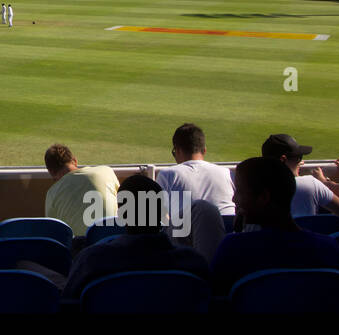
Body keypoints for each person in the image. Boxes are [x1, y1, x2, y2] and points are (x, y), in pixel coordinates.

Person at [210, 157, 339, 294]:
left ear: (263, 197)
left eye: (240, 191)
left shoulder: (233, 248)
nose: (234, 199)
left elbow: (216, 298)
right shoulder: (329, 247)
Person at [60, 174, 210, 299]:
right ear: (162, 212)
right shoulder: (193, 263)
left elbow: (67, 304)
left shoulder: (90, 262)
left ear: (121, 215)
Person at [261, 134, 339, 221]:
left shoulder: (255, 187)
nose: (302, 162)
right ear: (283, 160)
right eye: (299, 157)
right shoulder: (311, 183)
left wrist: (294, 165)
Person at [155, 123, 235, 215]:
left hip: (189, 224)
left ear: (178, 151)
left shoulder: (168, 174)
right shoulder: (226, 173)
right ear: (204, 150)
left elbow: (156, 216)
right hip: (227, 224)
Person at [42, 143, 118, 236]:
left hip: (82, 244)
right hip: (111, 238)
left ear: (51, 172)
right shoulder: (106, 171)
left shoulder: (52, 193)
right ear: (75, 161)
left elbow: (53, 230)